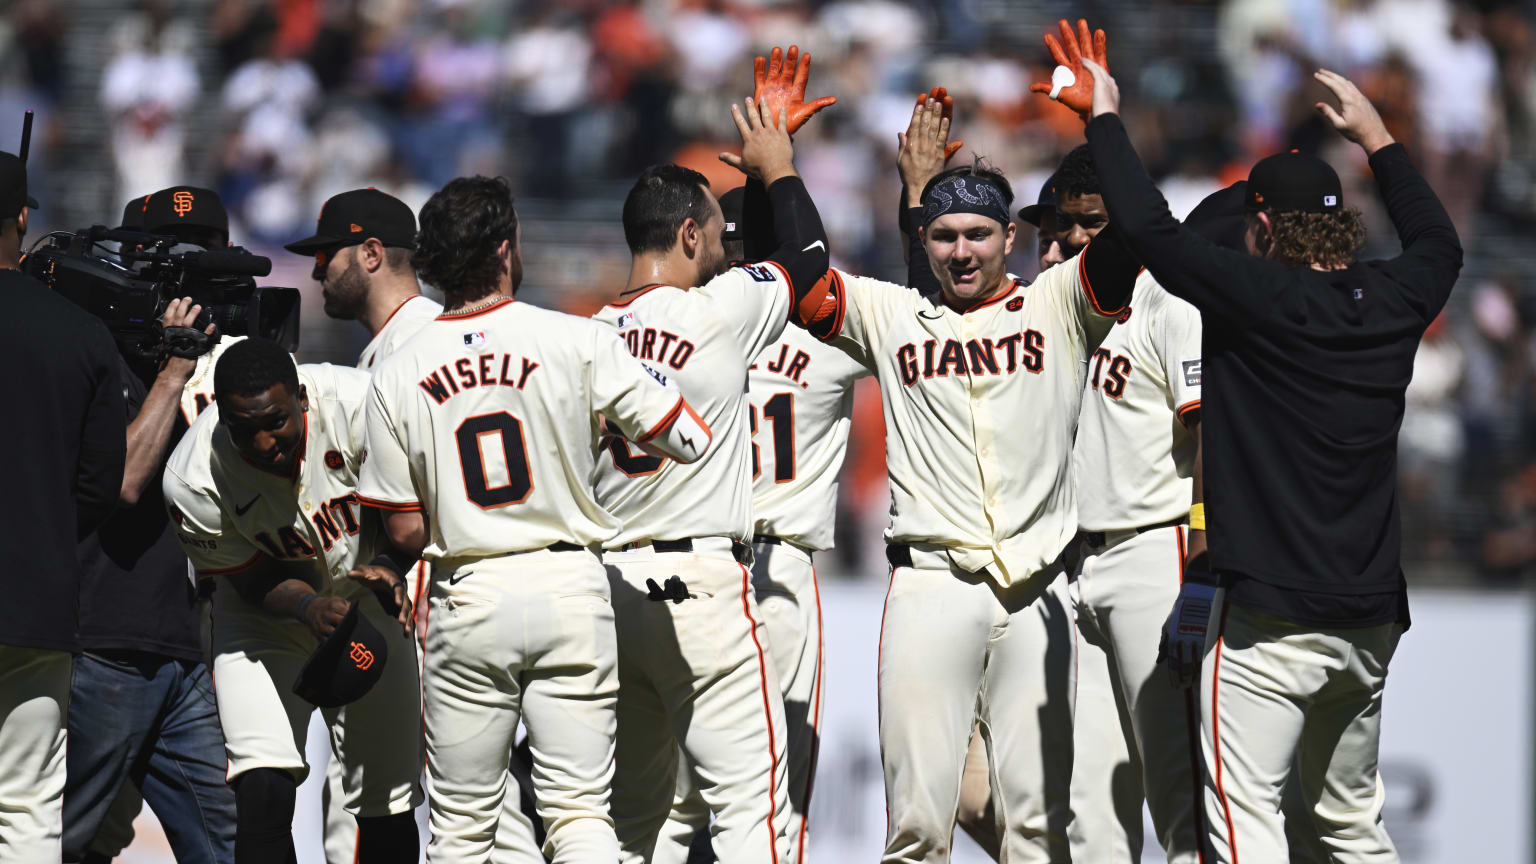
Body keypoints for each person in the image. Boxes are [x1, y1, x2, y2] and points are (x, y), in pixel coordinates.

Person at [1073, 58, 1462, 864]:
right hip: (1369, 615)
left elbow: (1148, 231)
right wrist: (1380, 139)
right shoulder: (1394, 300)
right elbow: (1440, 244)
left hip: (1267, 623)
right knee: (1351, 827)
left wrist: (1105, 114)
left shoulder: (1257, 295)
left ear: (1259, 227)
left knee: (1244, 823)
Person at [811, 91, 1140, 863]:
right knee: (923, 823)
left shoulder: (1054, 303)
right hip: (935, 578)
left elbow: (1137, 232)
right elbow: (851, 289)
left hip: (1042, 581)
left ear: (1010, 239)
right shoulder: (902, 314)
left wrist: (1104, 123)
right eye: (945, 235)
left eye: (980, 235)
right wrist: (795, 176)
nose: (962, 250)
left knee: (1036, 825)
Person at [355, 174, 711, 863]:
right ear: (504, 249)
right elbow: (688, 436)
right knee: (579, 814)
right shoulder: (574, 338)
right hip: (570, 584)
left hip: (470, 589)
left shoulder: (397, 372)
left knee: (462, 827)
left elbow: (402, 531)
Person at [591, 74, 834, 863]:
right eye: (717, 233)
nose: (724, 246)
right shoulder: (717, 311)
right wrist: (776, 163)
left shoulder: (580, 335)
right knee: (752, 814)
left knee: (629, 825)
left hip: (611, 589)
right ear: (692, 237)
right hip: (702, 585)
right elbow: (807, 258)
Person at [650, 185, 871, 864]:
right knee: (773, 801)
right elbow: (924, 324)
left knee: (669, 802)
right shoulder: (831, 328)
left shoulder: (681, 323)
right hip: (776, 569)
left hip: (686, 561)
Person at [163, 339, 423, 863]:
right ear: (221, 415)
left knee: (387, 798)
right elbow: (249, 578)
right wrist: (306, 607)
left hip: (368, 598)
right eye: (243, 427)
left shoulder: (361, 406)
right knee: (262, 781)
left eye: (275, 420)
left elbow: (422, 502)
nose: (262, 441)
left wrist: (392, 569)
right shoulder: (191, 475)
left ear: (302, 397)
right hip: (264, 616)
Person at [284, 188, 461, 864]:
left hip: (422, 610)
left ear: (371, 253)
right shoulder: (407, 345)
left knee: (364, 807)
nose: (317, 270)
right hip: (450, 610)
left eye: (326, 255)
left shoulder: (410, 353)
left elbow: (427, 506)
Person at [62, 294, 237, 864]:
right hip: (109, 648)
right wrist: (174, 370)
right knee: (64, 836)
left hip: (186, 649)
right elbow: (126, 481)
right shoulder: (95, 354)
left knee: (227, 838)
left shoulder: (215, 369)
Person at [0, 149, 126, 861]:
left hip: (35, 599)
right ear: (22, 217)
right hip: (36, 602)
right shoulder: (81, 332)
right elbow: (99, 488)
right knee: (26, 807)